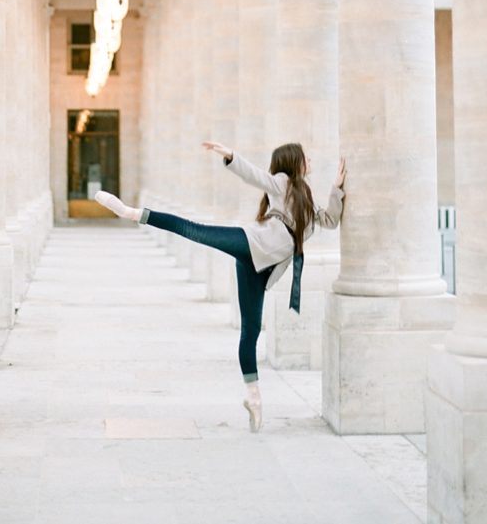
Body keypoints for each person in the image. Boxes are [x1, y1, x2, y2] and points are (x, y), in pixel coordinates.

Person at [94, 140, 346, 433]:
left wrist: (337, 188)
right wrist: (231, 156)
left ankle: (253, 398)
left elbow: (329, 220)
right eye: (306, 156)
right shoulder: (282, 182)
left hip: (262, 268)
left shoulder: (307, 200)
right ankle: (132, 213)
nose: (310, 159)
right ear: (294, 161)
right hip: (251, 243)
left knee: (250, 331)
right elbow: (256, 176)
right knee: (195, 230)